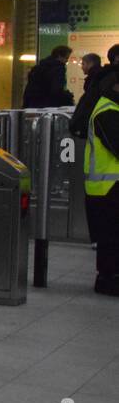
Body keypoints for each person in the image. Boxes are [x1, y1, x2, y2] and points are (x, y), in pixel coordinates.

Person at [83, 75, 119, 296]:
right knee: (111, 238)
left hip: (111, 185)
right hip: (108, 188)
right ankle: (108, 280)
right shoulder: (107, 112)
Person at [71, 45, 119, 139]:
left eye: (83, 64)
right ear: (117, 58)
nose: (81, 67)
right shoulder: (111, 79)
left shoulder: (102, 77)